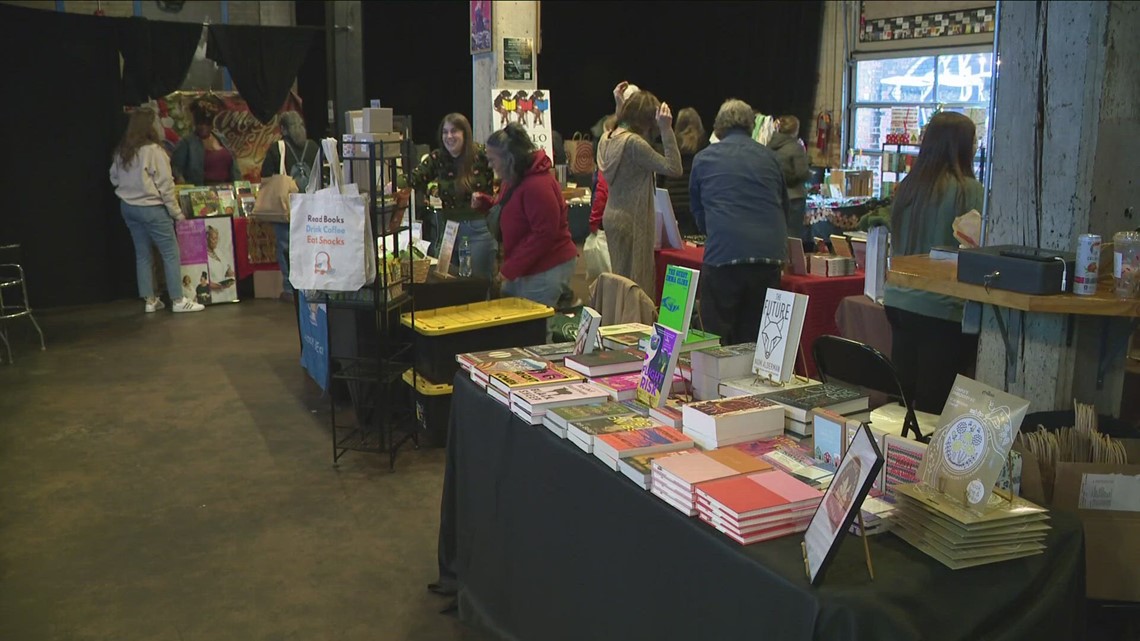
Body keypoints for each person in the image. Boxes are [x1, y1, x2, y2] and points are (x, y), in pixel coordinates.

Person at [884, 111, 983, 414]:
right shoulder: (969, 190)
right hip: (944, 308)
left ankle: (898, 455)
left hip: (898, 300)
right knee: (934, 407)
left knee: (902, 397)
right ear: (963, 145)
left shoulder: (910, 185)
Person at [690, 98, 788, 345]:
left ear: (718, 126)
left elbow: (698, 211)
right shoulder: (771, 158)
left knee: (716, 340)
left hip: (724, 255)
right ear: (751, 125)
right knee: (758, 340)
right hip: (769, 257)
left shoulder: (703, 159)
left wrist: (715, 233)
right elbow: (783, 206)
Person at [109, 108, 205, 313]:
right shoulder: (154, 151)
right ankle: (178, 300)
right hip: (152, 208)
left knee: (142, 253)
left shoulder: (122, 151)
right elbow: (166, 186)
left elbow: (114, 178)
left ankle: (150, 300)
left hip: (128, 207)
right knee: (170, 253)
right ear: (150, 126)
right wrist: (177, 214)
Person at [475, 123, 577, 309]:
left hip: (547, 266)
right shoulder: (513, 178)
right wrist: (486, 204)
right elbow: (512, 211)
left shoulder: (537, 185)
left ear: (508, 159)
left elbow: (544, 235)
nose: (490, 165)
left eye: (492, 159)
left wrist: (510, 269)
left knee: (534, 329)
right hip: (528, 266)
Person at [596, 82, 682, 294]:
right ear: (647, 120)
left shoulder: (606, 138)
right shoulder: (635, 144)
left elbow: (619, 124)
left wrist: (619, 107)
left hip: (612, 216)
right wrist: (666, 129)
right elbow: (674, 168)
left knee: (619, 280)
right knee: (636, 286)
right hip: (633, 219)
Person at [410, 113, 497, 279]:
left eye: (454, 131)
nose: (449, 136)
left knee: (477, 286)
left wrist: (487, 198)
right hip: (449, 229)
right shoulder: (438, 157)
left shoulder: (482, 155)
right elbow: (415, 178)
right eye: (445, 132)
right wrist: (392, 185)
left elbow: (502, 179)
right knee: (449, 286)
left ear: (465, 133)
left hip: (478, 228)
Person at [261, 111, 318, 301]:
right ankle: (310, 284)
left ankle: (289, 287)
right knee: (309, 245)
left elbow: (266, 176)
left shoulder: (277, 148)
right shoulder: (313, 147)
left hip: (286, 205)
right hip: (311, 205)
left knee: (286, 246)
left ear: (283, 129)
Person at [657, 107, 707, 236]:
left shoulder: (670, 144)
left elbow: (660, 177)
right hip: (694, 203)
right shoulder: (704, 145)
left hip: (671, 203)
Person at [171, 99, 241, 186]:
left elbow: (234, 166)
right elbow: (176, 169)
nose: (203, 127)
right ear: (195, 123)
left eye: (207, 123)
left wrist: (239, 186)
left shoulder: (221, 138)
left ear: (212, 123)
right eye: (200, 123)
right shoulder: (187, 143)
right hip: (203, 192)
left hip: (228, 191)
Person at [768, 115, 812, 246]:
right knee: (793, 236)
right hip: (794, 197)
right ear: (795, 130)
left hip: (774, 195)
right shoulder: (795, 147)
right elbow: (802, 173)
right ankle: (791, 264)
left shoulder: (769, 146)